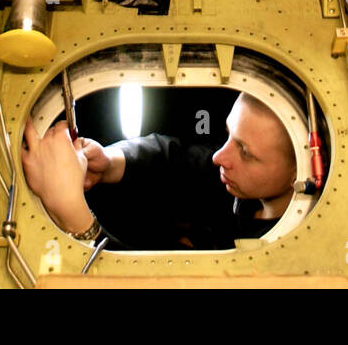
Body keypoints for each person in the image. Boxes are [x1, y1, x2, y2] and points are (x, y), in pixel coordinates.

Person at [21, 91, 299, 249]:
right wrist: (109, 161)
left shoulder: (287, 254)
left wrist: (79, 222)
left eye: (245, 152)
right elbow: (178, 160)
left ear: (298, 172)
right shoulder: (243, 184)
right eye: (229, 136)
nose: (219, 156)